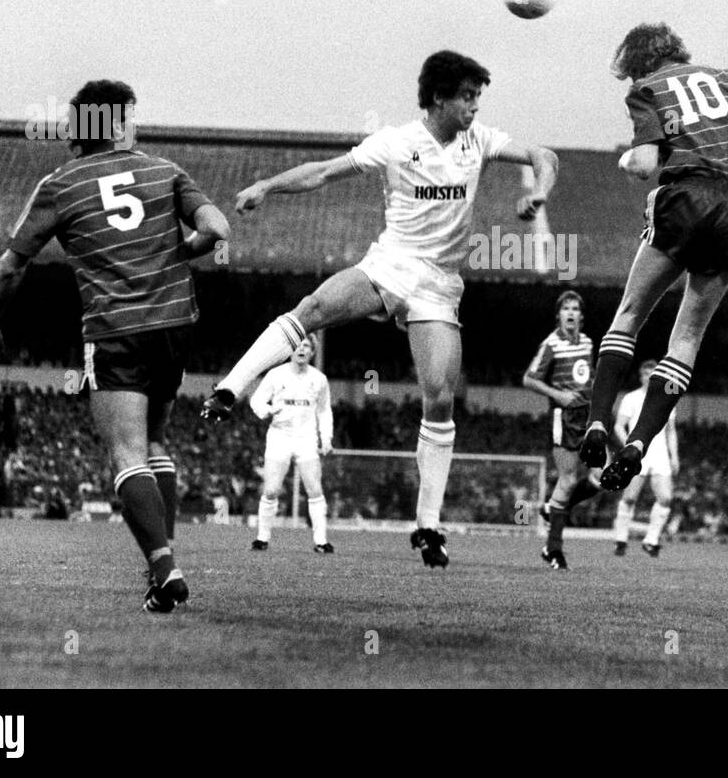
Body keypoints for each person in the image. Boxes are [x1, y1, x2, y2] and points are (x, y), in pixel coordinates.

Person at [199, 51, 558, 569]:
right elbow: (324, 172)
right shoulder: (395, 142)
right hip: (390, 265)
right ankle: (230, 388)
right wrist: (266, 186)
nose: (475, 107)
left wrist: (539, 193)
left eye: (478, 97)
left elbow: (544, 155)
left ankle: (428, 526)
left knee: (439, 398)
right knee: (313, 306)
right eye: (467, 96)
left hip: (438, 285)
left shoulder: (479, 140)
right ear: (439, 98)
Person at [0, 79, 230, 613]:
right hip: (174, 323)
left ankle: (164, 566)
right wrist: (180, 251)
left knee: (125, 453)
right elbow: (217, 228)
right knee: (155, 442)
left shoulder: (61, 185)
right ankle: (163, 566)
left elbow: (11, 265)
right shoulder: (165, 171)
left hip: (115, 329)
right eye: (129, 118)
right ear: (115, 125)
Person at [577, 23, 728, 490]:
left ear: (640, 63)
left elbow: (643, 165)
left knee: (629, 314)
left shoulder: (647, 89)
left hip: (685, 198)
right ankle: (639, 443)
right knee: (687, 338)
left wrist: (625, 160)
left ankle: (596, 422)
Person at [522, 290, 595, 570]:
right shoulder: (551, 344)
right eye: (566, 308)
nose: (571, 313)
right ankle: (553, 549)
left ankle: (551, 508)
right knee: (568, 479)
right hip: (563, 417)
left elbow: (589, 377)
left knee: (603, 476)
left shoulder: (587, 343)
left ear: (581, 316)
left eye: (575, 308)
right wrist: (558, 395)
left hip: (587, 416)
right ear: (559, 315)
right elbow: (529, 379)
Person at [248, 334, 335, 553]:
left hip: (306, 438)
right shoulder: (275, 374)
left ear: (312, 352)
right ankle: (262, 538)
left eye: (306, 346)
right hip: (279, 436)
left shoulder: (319, 379)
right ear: (290, 350)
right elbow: (256, 400)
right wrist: (268, 410)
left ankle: (321, 541)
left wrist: (326, 438)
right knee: (271, 490)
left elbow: (324, 410)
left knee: (315, 489)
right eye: (297, 345)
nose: (301, 349)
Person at [611, 359, 679, 556]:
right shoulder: (631, 398)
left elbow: (671, 431)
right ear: (640, 377)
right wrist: (630, 447)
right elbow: (618, 426)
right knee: (629, 497)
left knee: (666, 498)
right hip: (639, 453)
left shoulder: (667, 398)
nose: (649, 378)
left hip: (660, 454)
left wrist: (674, 455)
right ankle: (621, 539)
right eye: (646, 374)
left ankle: (651, 540)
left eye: (653, 374)